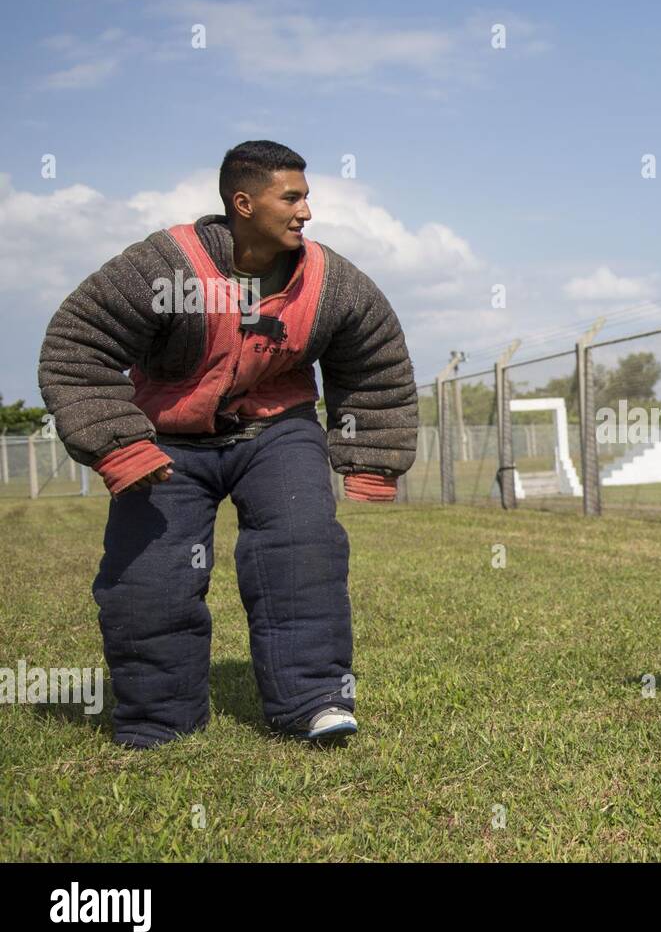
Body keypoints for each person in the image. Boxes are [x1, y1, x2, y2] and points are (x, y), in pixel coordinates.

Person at [37, 140, 419, 748]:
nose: (306, 211)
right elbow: (76, 346)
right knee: (148, 582)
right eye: (291, 197)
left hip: (278, 431)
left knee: (303, 553)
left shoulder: (331, 281)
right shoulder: (165, 265)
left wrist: (370, 460)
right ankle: (160, 720)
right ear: (243, 202)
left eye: (307, 197)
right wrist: (118, 445)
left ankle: (313, 701)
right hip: (166, 441)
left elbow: (375, 363)